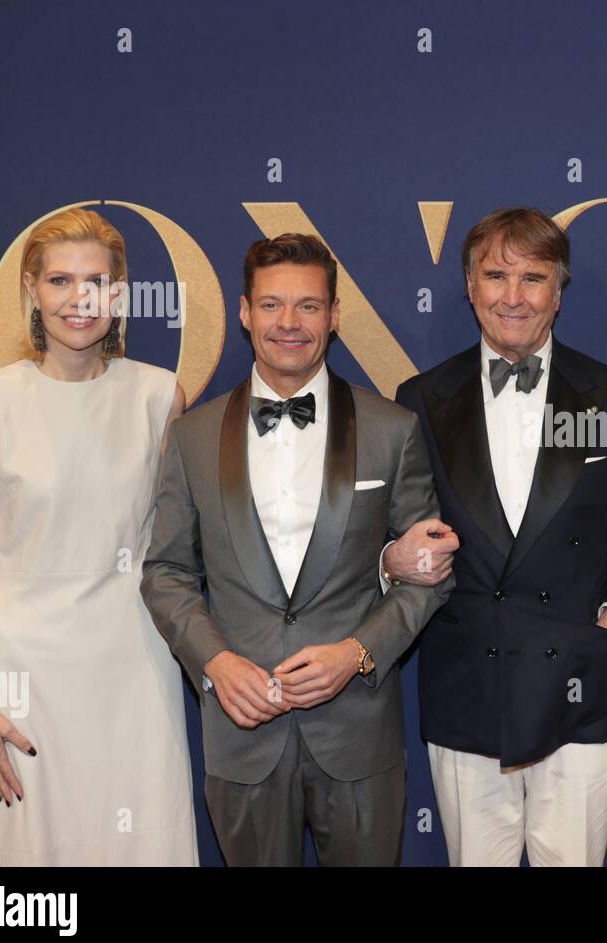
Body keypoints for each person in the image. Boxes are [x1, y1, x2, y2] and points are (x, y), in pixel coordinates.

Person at [141, 233, 452, 866]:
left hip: (359, 733)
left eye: (308, 306)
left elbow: (429, 570)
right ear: (244, 311)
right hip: (241, 729)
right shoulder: (191, 437)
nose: (289, 323)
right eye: (273, 305)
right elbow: (166, 572)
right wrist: (216, 663)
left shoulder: (392, 430)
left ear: (335, 316)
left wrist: (357, 653)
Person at [389, 206, 607, 866]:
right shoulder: (421, 399)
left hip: (578, 682)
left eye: (533, 278)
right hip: (468, 684)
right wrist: (393, 559)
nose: (513, 296)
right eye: (495, 275)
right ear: (469, 287)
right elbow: (399, 533)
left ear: (559, 293)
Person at [0, 207, 199, 864]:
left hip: (135, 668)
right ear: (30, 289)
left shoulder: (160, 397)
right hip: (24, 677)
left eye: (97, 282)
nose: (79, 300)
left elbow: (181, 555)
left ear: (120, 292)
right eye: (60, 281)